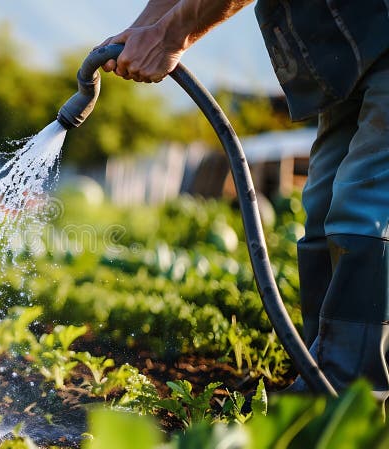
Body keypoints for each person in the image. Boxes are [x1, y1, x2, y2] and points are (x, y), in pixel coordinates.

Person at [98, 0, 389, 399]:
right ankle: (321, 365)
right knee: (322, 206)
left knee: (364, 203)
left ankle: (350, 393)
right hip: (355, 50)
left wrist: (169, 36)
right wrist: (138, 34)